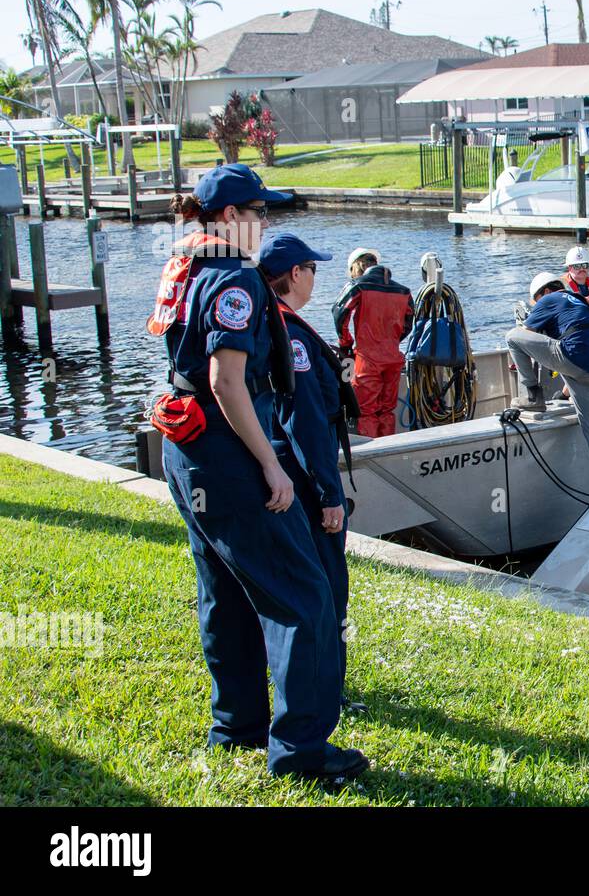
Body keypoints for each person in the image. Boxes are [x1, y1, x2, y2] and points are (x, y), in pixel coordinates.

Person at [147, 164, 366, 782]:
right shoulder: (235, 277)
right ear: (229, 218)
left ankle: (237, 726)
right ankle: (301, 751)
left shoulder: (188, 265)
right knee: (305, 595)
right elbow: (226, 380)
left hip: (184, 448)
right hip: (227, 450)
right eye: (257, 212)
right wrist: (272, 465)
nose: (263, 222)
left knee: (225, 591)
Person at [259, 232, 366, 716]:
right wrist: (328, 494)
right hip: (304, 479)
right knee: (326, 589)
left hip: (289, 471)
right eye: (312, 270)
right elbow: (303, 419)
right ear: (295, 275)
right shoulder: (290, 334)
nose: (316, 278)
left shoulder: (274, 323)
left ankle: (318, 686)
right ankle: (327, 692)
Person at [506, 271, 589, 506]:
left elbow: (525, 335)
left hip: (571, 356)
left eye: (535, 302)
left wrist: (522, 359)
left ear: (545, 292)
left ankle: (533, 396)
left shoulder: (549, 299)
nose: (537, 306)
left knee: (512, 337)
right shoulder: (577, 299)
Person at [332, 248, 414, 438]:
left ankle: (369, 450)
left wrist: (345, 342)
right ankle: (387, 448)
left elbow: (338, 312)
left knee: (366, 411)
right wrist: (393, 340)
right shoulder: (403, 291)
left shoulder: (358, 286)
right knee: (386, 411)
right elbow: (408, 323)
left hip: (367, 359)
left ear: (355, 267)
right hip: (393, 357)